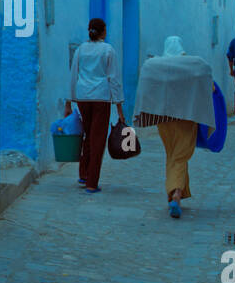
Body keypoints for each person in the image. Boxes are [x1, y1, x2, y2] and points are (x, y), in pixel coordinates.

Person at [133, 36, 216, 218]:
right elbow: (209, 86)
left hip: (165, 120)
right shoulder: (193, 65)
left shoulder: (157, 66)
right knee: (180, 156)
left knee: (173, 154)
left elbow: (147, 84)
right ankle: (177, 193)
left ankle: (174, 193)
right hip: (187, 118)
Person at [68, 17, 124, 193]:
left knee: (87, 135)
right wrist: (119, 107)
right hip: (100, 98)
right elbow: (114, 79)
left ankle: (84, 173)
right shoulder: (108, 50)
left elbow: (73, 75)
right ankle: (92, 182)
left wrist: (69, 101)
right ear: (103, 32)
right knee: (97, 138)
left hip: (83, 97)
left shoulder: (80, 50)